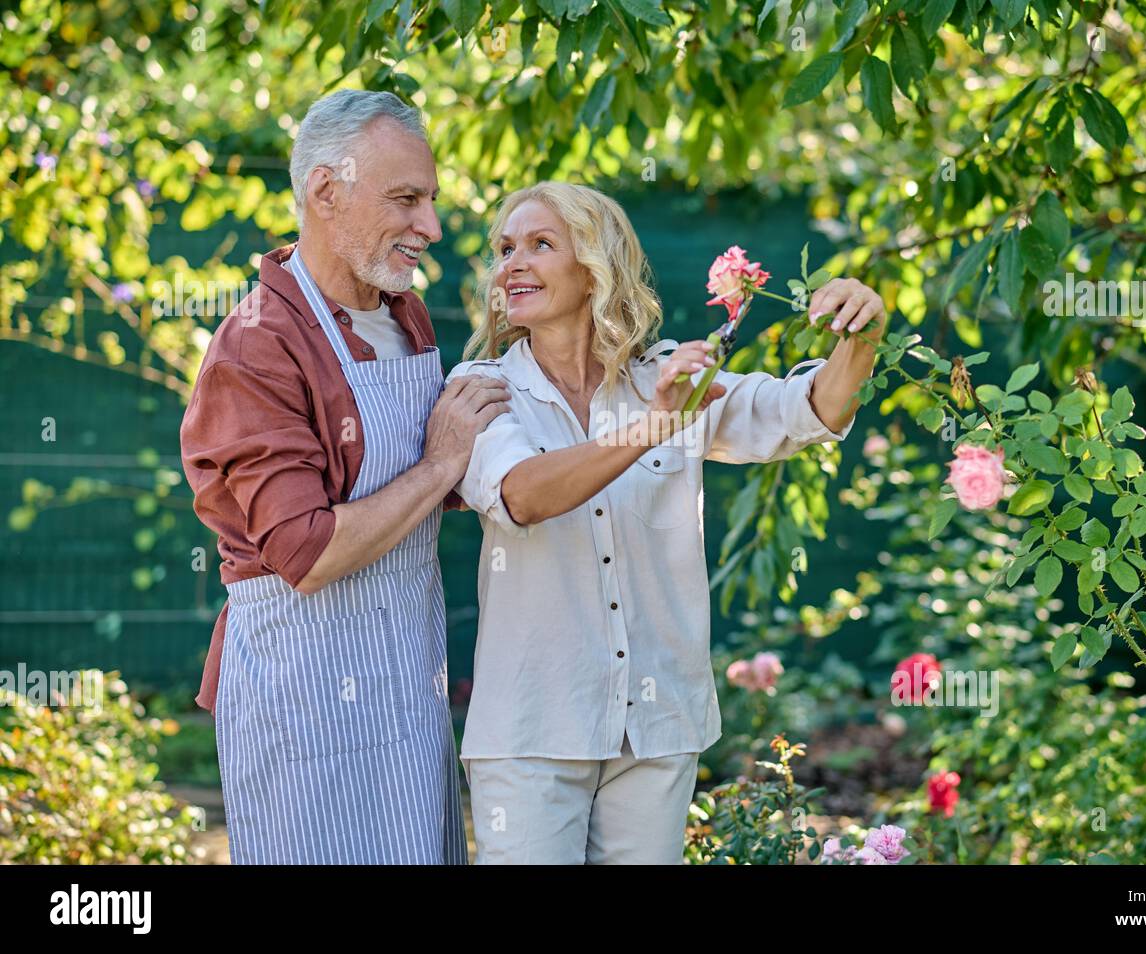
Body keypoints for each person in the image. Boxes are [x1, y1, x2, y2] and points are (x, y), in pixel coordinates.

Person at [447, 182, 885, 864]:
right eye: (505, 248)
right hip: (531, 728)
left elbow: (805, 412)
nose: (512, 264)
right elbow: (522, 496)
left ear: (596, 265)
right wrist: (653, 426)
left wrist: (862, 334)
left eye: (540, 244)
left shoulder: (666, 375)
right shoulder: (480, 388)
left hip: (654, 728)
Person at [180, 89, 508, 863]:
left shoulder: (403, 314)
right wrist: (441, 464)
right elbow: (308, 553)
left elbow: (442, 471)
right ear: (326, 191)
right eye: (406, 199)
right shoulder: (258, 345)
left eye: (430, 200)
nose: (430, 226)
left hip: (405, 673)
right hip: (307, 688)